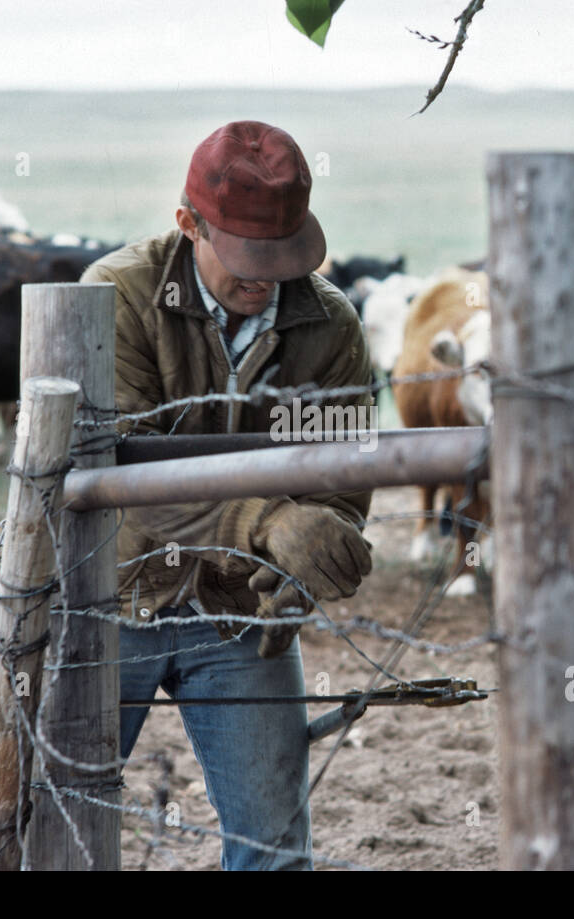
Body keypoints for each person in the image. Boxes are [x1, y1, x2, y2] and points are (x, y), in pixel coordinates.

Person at [80, 120, 374, 870]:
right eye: (247, 255)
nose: (266, 276)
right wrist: (267, 521)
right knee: (60, 829)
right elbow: (123, 477)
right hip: (106, 604)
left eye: (283, 254)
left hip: (240, 617)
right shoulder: (116, 296)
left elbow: (339, 481)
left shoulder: (331, 326)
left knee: (274, 851)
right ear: (187, 223)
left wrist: (303, 564)